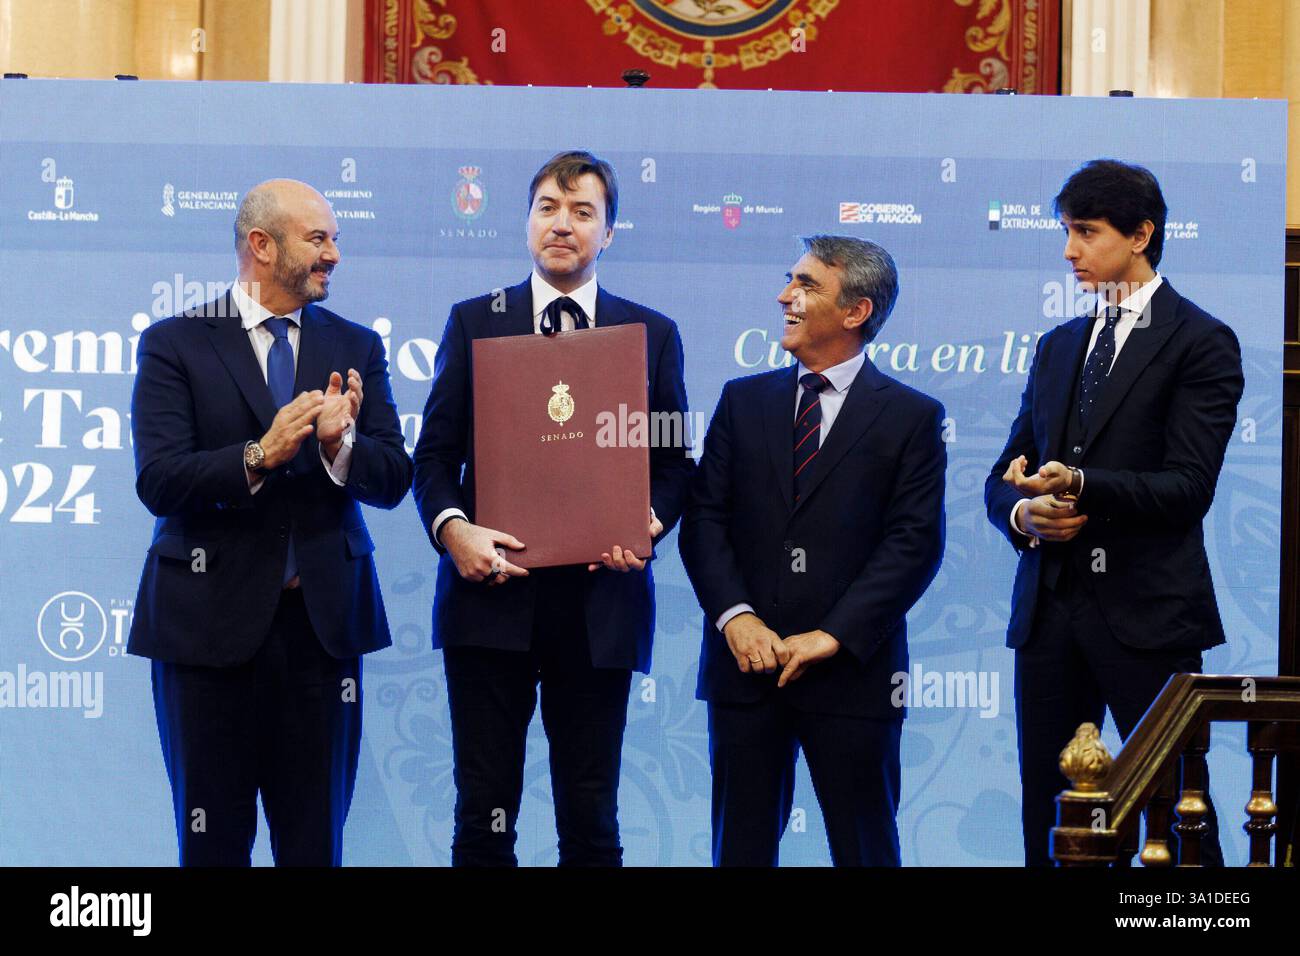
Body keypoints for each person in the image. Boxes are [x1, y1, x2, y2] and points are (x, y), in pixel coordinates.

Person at [412, 150, 694, 866]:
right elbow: (435, 459)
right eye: (547, 208)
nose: (561, 225)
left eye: (581, 212)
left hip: (602, 603)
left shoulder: (650, 334)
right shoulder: (477, 321)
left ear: (610, 233)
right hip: (490, 601)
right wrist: (455, 533)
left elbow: (672, 462)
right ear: (527, 222)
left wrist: (647, 522)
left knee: (591, 816)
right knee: (484, 817)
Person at [128, 179, 413, 866]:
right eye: (318, 238)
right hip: (205, 638)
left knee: (314, 847)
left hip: (320, 641)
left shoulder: (355, 346)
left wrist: (339, 447)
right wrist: (260, 454)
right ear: (261, 245)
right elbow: (159, 481)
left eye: (335, 238)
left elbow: (395, 477)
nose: (335, 254)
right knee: (212, 846)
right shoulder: (176, 344)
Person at [985, 159, 1242, 866]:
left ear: (1141, 234)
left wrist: (1082, 484)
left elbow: (1188, 487)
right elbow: (1002, 476)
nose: (1069, 250)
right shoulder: (1059, 346)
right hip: (1049, 613)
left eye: (1086, 232)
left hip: (1149, 616)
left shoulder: (1200, 341)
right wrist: (1023, 516)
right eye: (1067, 231)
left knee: (1177, 812)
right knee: (1049, 813)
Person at [680, 235, 946, 866]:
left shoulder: (911, 416)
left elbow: (913, 545)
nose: (784, 296)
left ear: (855, 312)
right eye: (788, 281)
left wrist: (831, 636)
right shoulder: (743, 401)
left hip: (852, 673)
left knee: (866, 850)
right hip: (745, 672)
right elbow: (704, 521)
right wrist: (736, 619)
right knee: (739, 853)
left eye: (805, 285)